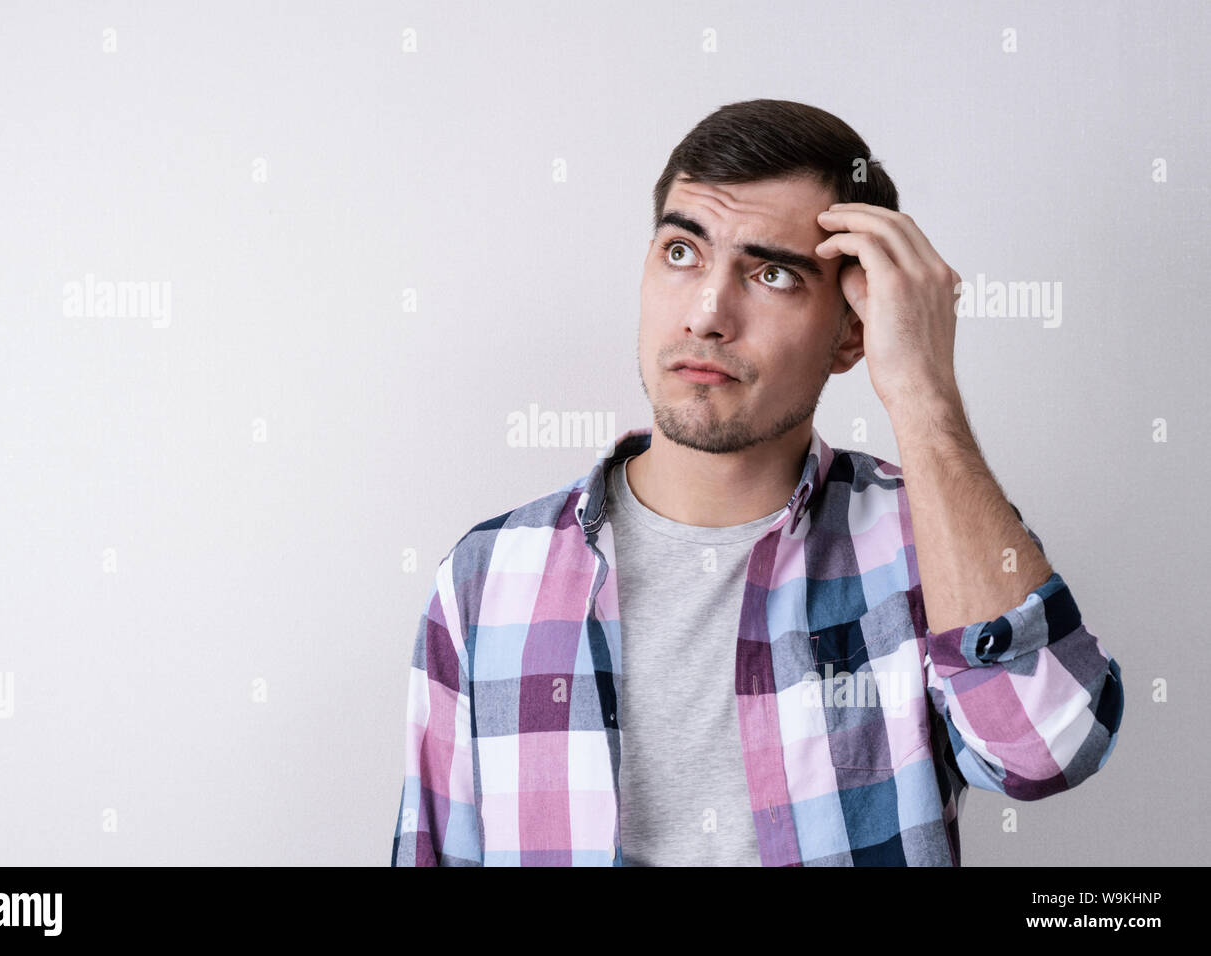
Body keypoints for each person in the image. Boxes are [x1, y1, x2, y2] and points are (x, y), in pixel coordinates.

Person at [390, 99, 1123, 866]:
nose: (707, 314)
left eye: (772, 273)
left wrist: (923, 392)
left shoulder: (926, 540)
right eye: (682, 252)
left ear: (851, 332)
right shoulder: (488, 578)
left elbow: (1049, 748)